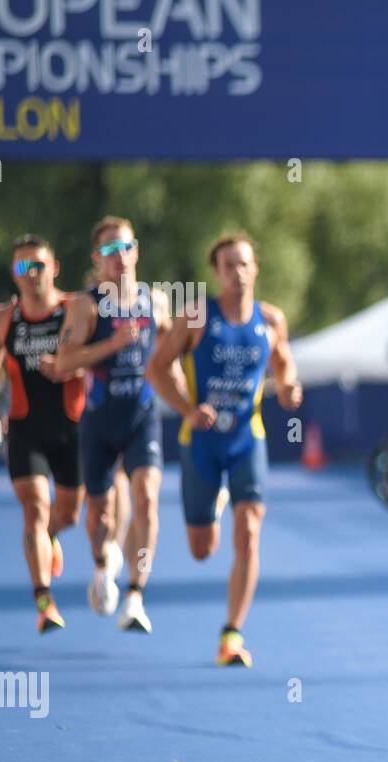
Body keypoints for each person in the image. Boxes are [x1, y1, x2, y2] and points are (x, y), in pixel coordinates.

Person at [147, 233, 303, 666]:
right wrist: (186, 409)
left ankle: (232, 633)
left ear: (255, 269)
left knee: (249, 533)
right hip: (200, 442)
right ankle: (214, 503)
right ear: (216, 273)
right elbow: (157, 367)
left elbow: (284, 361)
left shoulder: (271, 320)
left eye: (244, 264)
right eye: (228, 265)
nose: (237, 273)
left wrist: (288, 386)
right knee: (202, 549)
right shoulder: (197, 316)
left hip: (246, 441)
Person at [55, 216, 173, 632]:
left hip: (142, 418)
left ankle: (137, 596)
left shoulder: (156, 301)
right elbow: (65, 361)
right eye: (108, 251)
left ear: (136, 251)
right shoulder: (86, 306)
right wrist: (111, 344)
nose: (119, 257)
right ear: (97, 259)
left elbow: (173, 352)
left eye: (125, 247)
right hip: (99, 422)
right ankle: (103, 565)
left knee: (147, 502)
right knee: (99, 517)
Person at [0, 235, 86, 632]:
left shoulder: (76, 309)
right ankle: (44, 599)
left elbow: (93, 355)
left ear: (54, 268)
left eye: (38, 265)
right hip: (26, 427)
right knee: (35, 507)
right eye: (23, 267)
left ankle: (50, 536)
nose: (31, 273)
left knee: (67, 512)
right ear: (14, 274)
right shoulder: (4, 318)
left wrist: (74, 365)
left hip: (72, 428)